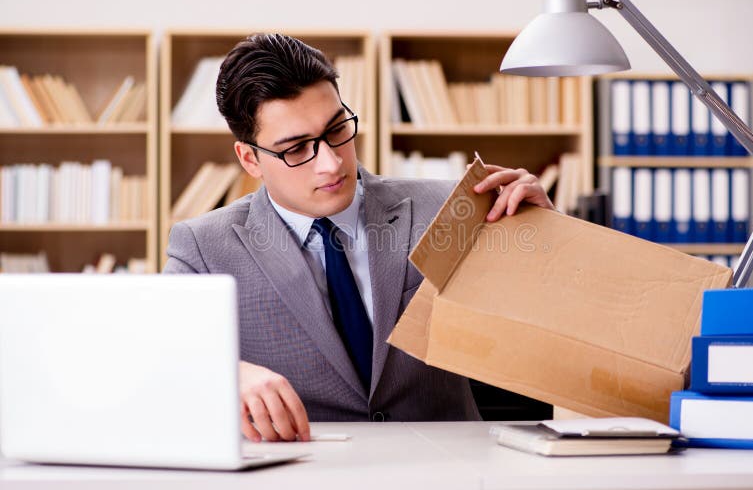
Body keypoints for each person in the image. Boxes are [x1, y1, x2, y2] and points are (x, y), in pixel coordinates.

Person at [163, 33, 554, 443]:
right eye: (296, 149)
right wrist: (224, 373)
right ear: (250, 159)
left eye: (336, 130)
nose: (331, 164)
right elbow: (150, 352)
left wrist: (552, 238)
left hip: (451, 467)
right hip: (304, 474)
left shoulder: (451, 207)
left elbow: (553, 326)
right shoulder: (204, 247)